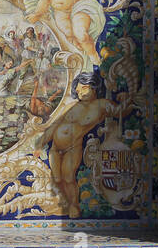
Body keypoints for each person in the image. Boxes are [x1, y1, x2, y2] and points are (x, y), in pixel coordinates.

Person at [37, 69, 130, 217]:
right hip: (55, 148)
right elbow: (55, 125)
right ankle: (65, 204)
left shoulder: (101, 105)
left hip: (73, 147)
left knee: (68, 177)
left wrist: (127, 98)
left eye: (84, 88)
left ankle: (74, 206)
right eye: (78, 90)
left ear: (94, 88)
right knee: (57, 178)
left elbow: (120, 111)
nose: (80, 92)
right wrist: (42, 142)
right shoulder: (72, 105)